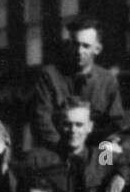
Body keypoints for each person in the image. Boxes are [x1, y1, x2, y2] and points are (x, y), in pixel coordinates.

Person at [30, 17, 124, 151]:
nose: (79, 51)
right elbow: (42, 121)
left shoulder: (107, 81)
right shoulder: (50, 76)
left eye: (86, 46)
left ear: (97, 49)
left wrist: (104, 165)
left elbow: (113, 129)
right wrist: (68, 153)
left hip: (94, 160)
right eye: (75, 44)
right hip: (57, 157)